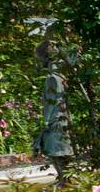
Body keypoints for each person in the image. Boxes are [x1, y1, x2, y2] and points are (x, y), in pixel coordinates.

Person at [32, 37, 75, 181]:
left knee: (55, 153)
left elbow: (52, 102)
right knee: (64, 154)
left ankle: (64, 181)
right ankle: (66, 180)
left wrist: (45, 122)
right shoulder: (61, 77)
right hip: (63, 119)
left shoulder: (52, 78)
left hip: (55, 121)